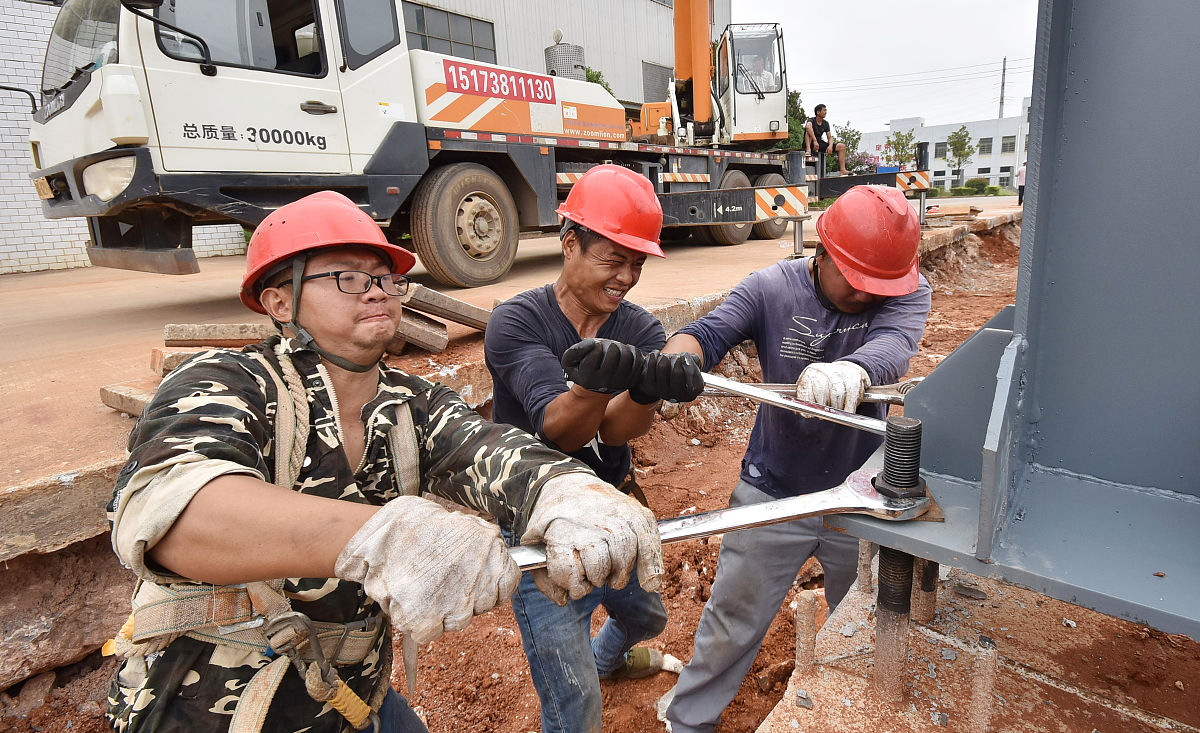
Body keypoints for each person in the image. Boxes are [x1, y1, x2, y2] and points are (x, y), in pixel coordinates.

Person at [102, 190, 664, 733]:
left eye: (386, 279)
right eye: (348, 278)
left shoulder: (409, 405)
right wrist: (387, 538)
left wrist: (568, 492)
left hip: (353, 698)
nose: (376, 292)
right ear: (279, 302)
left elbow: (495, 451)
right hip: (214, 707)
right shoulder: (227, 383)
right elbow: (172, 513)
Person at [662, 185, 932, 733]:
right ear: (821, 252)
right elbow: (706, 334)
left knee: (861, 625)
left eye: (879, 286)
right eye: (856, 280)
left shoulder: (904, 288)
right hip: (774, 487)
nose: (867, 294)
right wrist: (672, 366)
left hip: (862, 495)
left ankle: (848, 718)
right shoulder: (770, 288)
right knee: (731, 621)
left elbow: (894, 346)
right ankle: (687, 723)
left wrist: (855, 370)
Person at [484, 164, 704, 733]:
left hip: (614, 511)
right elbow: (559, 431)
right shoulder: (517, 321)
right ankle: (587, 679)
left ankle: (609, 660)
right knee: (574, 707)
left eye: (637, 263)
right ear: (570, 244)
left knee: (647, 619)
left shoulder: (640, 329)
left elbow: (615, 433)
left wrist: (647, 389)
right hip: (538, 528)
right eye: (613, 260)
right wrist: (592, 387)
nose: (626, 277)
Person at [804, 103, 849, 176]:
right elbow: (808, 127)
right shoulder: (811, 120)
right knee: (808, 131)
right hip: (809, 143)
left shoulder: (825, 123)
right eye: (824, 110)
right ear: (818, 112)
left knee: (842, 146)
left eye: (826, 110)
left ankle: (843, 170)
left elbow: (830, 137)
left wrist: (830, 146)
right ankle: (808, 150)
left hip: (819, 144)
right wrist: (815, 141)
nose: (826, 112)